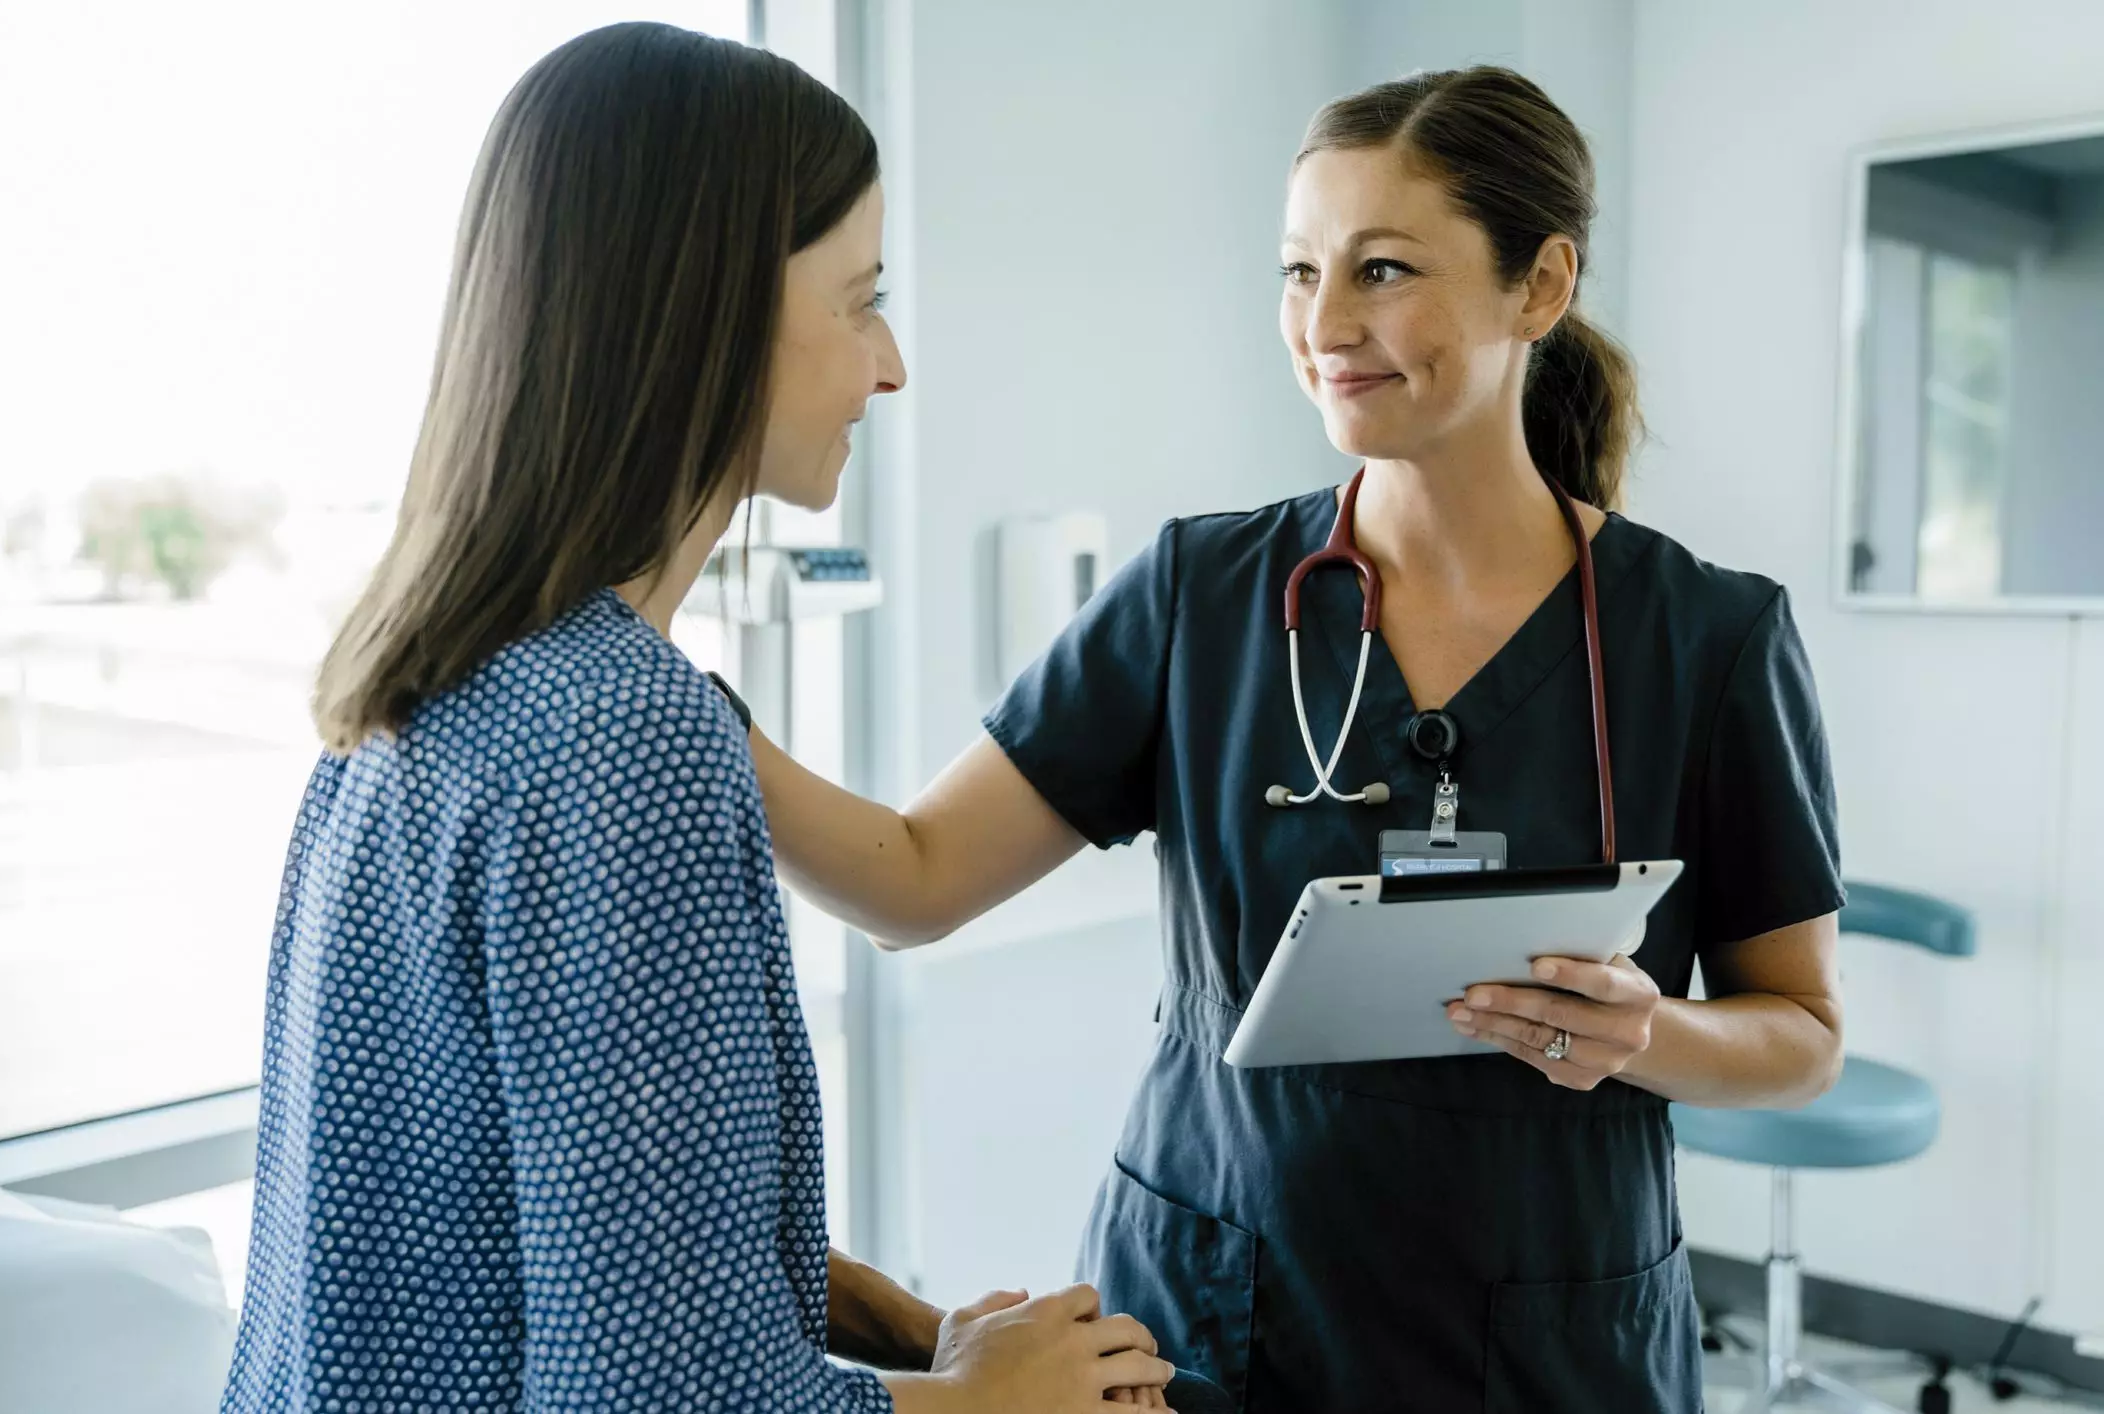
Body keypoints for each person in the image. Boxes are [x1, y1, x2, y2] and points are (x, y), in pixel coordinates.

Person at [746, 67, 1848, 1411]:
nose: (1325, 322)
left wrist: (1647, 1034)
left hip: (1558, 1335)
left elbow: (1801, 1032)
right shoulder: (1200, 596)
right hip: (1214, 1319)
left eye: (1382, 269)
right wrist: (699, 714)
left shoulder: (1707, 637)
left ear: (1541, 287)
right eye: (1297, 270)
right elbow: (911, 880)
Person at [219, 23, 1176, 1413]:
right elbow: (665, 1396)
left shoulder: (423, 682)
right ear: (708, 310)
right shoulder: (627, 735)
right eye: (861, 301)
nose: (892, 365)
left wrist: (911, 1328)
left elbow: (573, 1216)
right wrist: (988, 1402)